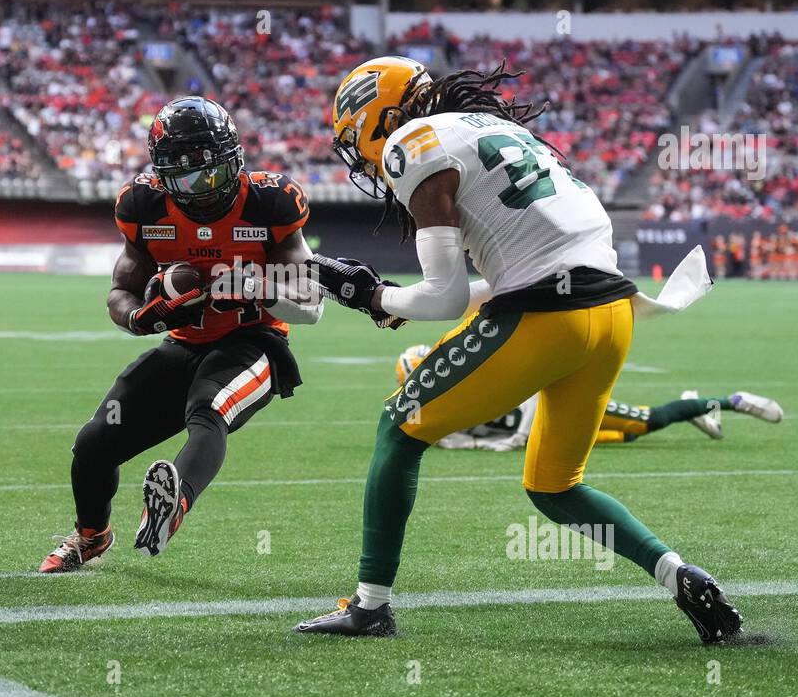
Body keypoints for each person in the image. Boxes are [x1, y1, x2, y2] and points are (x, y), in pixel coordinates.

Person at [297, 56, 743, 643]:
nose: (365, 158)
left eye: (359, 140)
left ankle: (370, 606)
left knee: (399, 428)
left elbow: (445, 299)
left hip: (546, 320)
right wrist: (390, 298)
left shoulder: (414, 141)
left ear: (383, 116)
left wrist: (379, 296)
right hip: (611, 316)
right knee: (555, 486)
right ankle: (679, 573)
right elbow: (513, 273)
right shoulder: (505, 132)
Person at [40, 97, 322, 572]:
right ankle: (90, 536)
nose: (201, 187)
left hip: (255, 343)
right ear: (162, 175)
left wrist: (255, 291)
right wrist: (141, 318)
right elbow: (120, 291)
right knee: (94, 444)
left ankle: (172, 506)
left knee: (208, 408)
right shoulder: (143, 206)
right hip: (184, 343)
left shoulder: (270, 202)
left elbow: (311, 303)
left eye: (209, 172)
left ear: (233, 160)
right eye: (185, 176)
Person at [395, 341, 784, 449]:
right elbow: (453, 441)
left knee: (643, 421)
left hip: (555, 408)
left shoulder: (479, 375)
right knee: (626, 436)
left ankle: (731, 401)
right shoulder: (436, 411)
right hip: (548, 434)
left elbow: (534, 392)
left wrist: (516, 437)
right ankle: (693, 410)